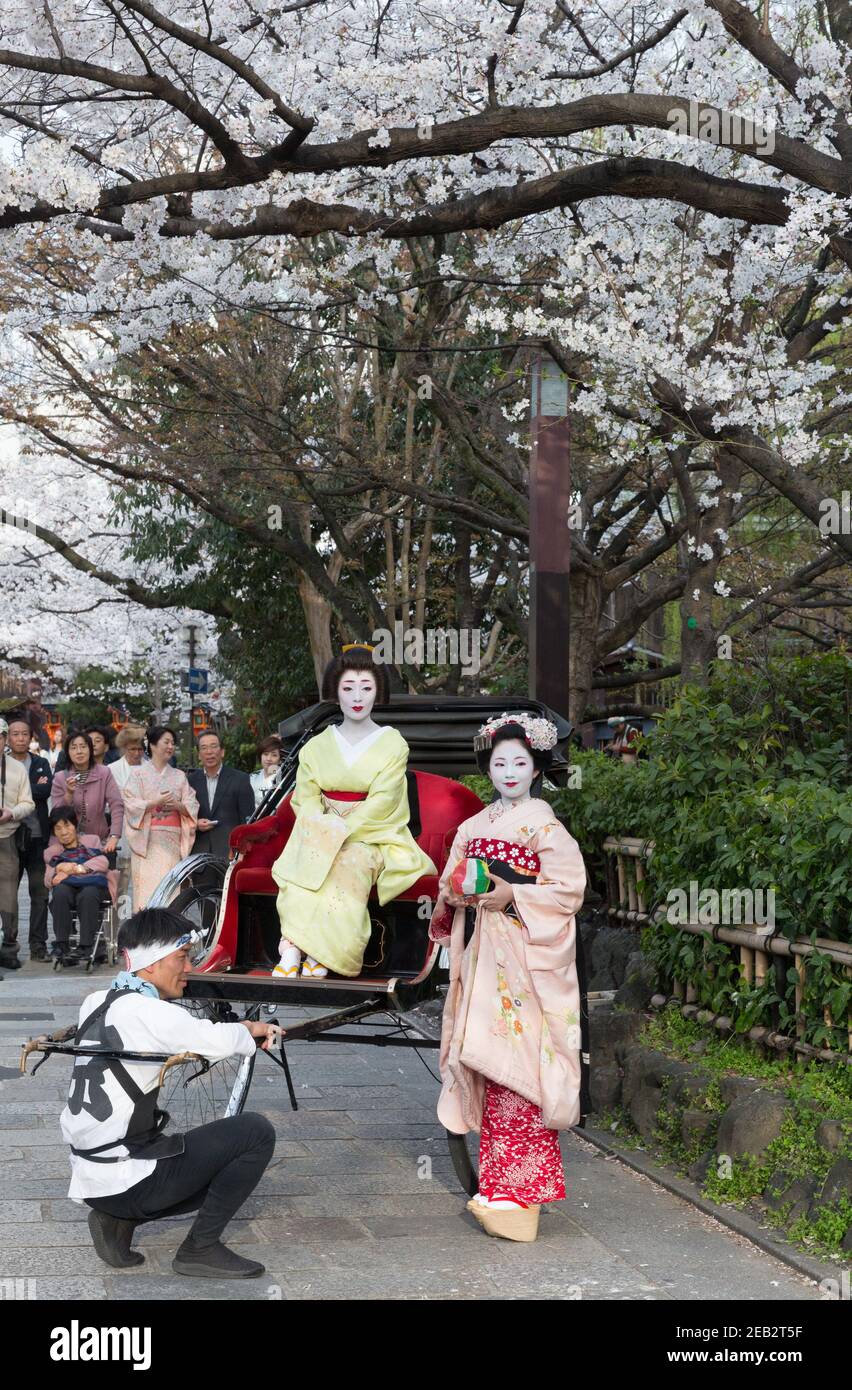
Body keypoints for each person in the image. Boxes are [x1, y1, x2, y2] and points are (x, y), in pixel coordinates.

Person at [429, 711, 589, 1243]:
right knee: (491, 1064)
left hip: (523, 956)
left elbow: (568, 889)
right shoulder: (473, 827)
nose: (510, 773)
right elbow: (448, 883)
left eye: (520, 763)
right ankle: (501, 1190)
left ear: (536, 768)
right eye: (500, 764)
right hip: (482, 954)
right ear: (488, 769)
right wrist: (459, 891)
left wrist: (511, 893)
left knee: (520, 1064)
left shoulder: (544, 826)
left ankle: (518, 1196)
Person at [61, 908, 279, 1279]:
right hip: (126, 1179)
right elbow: (217, 1039)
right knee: (255, 1133)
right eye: (182, 957)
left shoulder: (95, 1001)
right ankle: (200, 1249)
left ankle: (117, 1219)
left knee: (174, 1145)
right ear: (151, 963)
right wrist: (251, 1028)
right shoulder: (151, 1013)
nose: (189, 968)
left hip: (91, 1177)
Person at [270, 645, 436, 978]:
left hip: (372, 836)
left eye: (366, 688)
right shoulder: (316, 746)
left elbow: (384, 801)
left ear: (378, 691)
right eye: (348, 688)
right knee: (305, 861)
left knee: (349, 862)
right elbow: (306, 798)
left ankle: (322, 954)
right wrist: (322, 828)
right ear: (336, 692)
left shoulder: (393, 744)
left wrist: (342, 830)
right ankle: (293, 948)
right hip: (318, 829)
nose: (357, 697)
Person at [122, 727, 198, 910]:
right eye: (166, 742)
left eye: (173, 743)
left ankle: (169, 928)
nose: (171, 746)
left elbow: (192, 805)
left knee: (170, 893)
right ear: (153, 745)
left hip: (171, 842)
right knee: (146, 895)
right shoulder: (138, 774)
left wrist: (178, 806)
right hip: (147, 840)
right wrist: (154, 803)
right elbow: (130, 804)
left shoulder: (179, 776)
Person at [44, 806, 118, 967]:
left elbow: (102, 862)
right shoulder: (52, 851)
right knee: (60, 892)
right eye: (58, 828)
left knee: (88, 893)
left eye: (67, 825)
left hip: (94, 887)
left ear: (75, 825)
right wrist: (58, 868)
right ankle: (62, 944)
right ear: (54, 832)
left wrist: (73, 869)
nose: (64, 832)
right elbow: (49, 880)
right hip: (69, 890)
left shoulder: (91, 841)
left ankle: (85, 946)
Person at [6, 716, 52, 960]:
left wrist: (18, 793)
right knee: (7, 894)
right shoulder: (3, 764)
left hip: (37, 837)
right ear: (7, 738)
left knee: (40, 893)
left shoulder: (40, 762)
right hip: (9, 837)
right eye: (15, 734)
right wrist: (32, 789)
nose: (20, 738)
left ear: (30, 737)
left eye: (24, 734)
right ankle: (9, 944)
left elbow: (45, 790)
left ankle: (38, 945)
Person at [0, 718, 36, 969]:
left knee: (8, 896)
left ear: (5, 740)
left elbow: (28, 803)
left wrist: (11, 812)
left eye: (0, 737)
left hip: (7, 836)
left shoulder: (16, 768)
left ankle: (9, 948)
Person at [51, 730, 123, 852]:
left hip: (100, 842)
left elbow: (116, 804)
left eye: (83, 746)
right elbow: (56, 814)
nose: (79, 751)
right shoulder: (60, 777)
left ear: (90, 749)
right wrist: (69, 794)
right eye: (73, 748)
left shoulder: (104, 772)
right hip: (68, 845)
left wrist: (114, 836)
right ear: (68, 752)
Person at [187, 730, 253, 860]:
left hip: (230, 852)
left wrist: (242, 850)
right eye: (204, 748)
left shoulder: (240, 779)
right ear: (199, 755)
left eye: (213, 746)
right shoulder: (190, 781)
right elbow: (184, 816)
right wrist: (196, 824)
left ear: (222, 752)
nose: (209, 752)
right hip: (199, 855)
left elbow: (248, 819)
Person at [109, 725, 147, 915]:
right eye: (132, 749)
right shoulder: (112, 770)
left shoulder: (151, 768)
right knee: (119, 889)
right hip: (122, 833)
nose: (137, 753)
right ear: (124, 748)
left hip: (146, 833)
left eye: (140, 749)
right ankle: (113, 931)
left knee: (145, 888)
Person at [249, 735, 283, 809]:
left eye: (274, 755)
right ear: (260, 756)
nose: (269, 759)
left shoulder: (284, 777)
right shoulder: (252, 777)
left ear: (280, 759)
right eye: (265, 754)